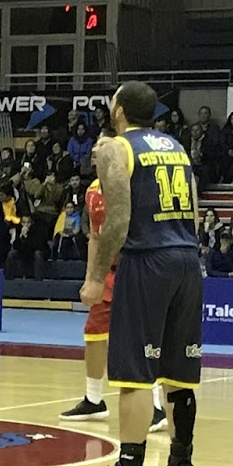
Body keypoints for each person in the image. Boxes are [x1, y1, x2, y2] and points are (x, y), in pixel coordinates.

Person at [74, 81, 202, 466]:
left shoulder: (116, 147)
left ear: (119, 110)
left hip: (148, 260)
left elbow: (117, 220)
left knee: (134, 374)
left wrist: (95, 277)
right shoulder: (176, 147)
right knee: (180, 374)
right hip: (187, 257)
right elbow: (196, 211)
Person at [60, 176, 168, 430]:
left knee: (140, 335)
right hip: (107, 271)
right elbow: (96, 239)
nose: (97, 154)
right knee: (94, 333)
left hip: (137, 265)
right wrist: (91, 278)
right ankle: (93, 399)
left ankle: (156, 406)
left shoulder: (137, 183)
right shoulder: (93, 190)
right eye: (95, 151)